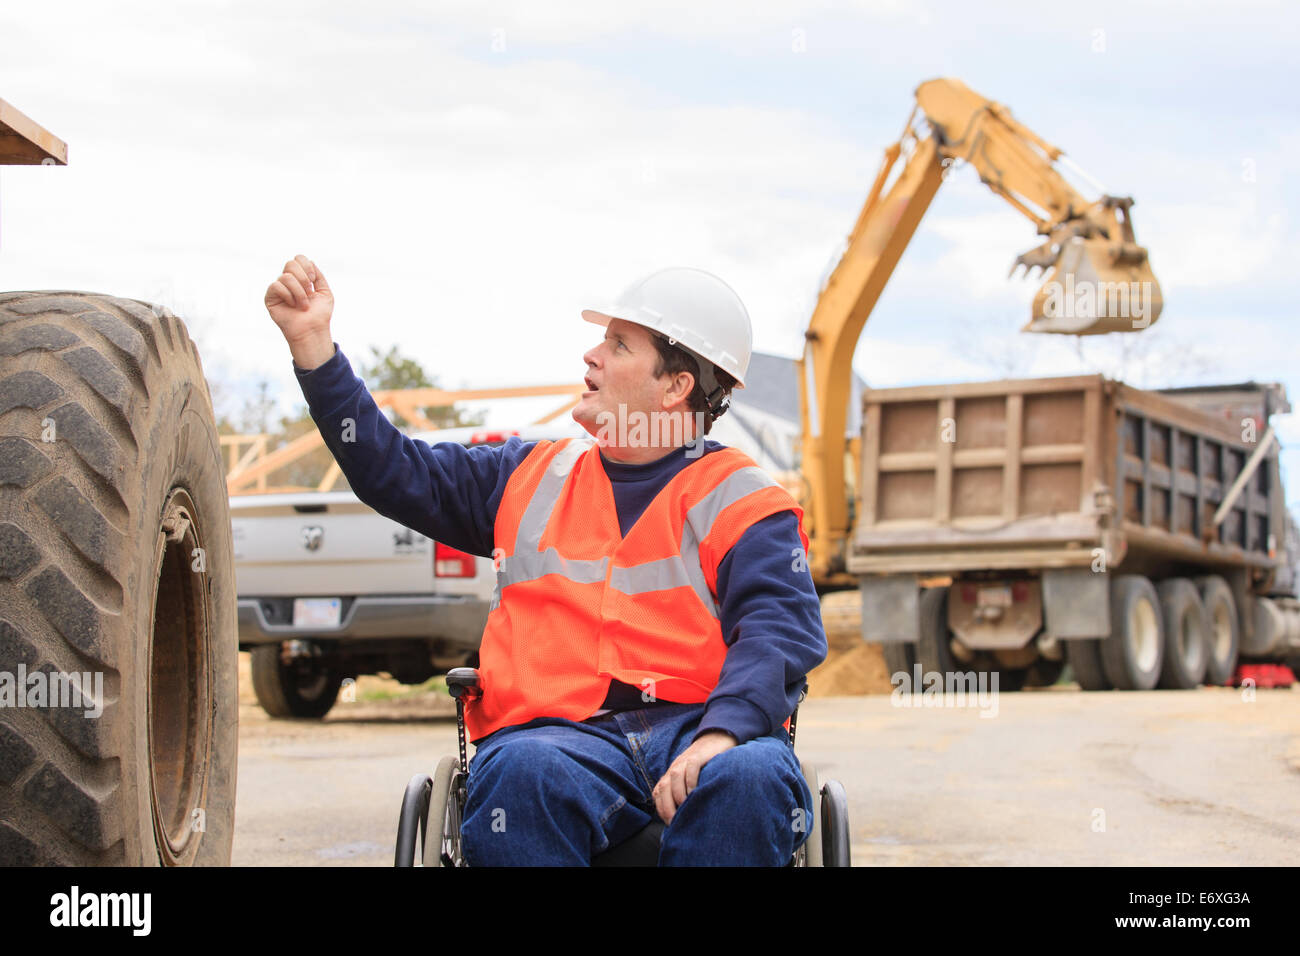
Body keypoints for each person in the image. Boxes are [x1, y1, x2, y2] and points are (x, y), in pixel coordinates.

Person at [264, 255, 828, 865]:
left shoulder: (744, 499)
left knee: (750, 776)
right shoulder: (525, 476)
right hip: (556, 740)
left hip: (700, 727)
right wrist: (315, 349)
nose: (592, 356)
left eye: (618, 344)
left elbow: (777, 631)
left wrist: (722, 734)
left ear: (675, 386)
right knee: (524, 775)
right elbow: (389, 470)